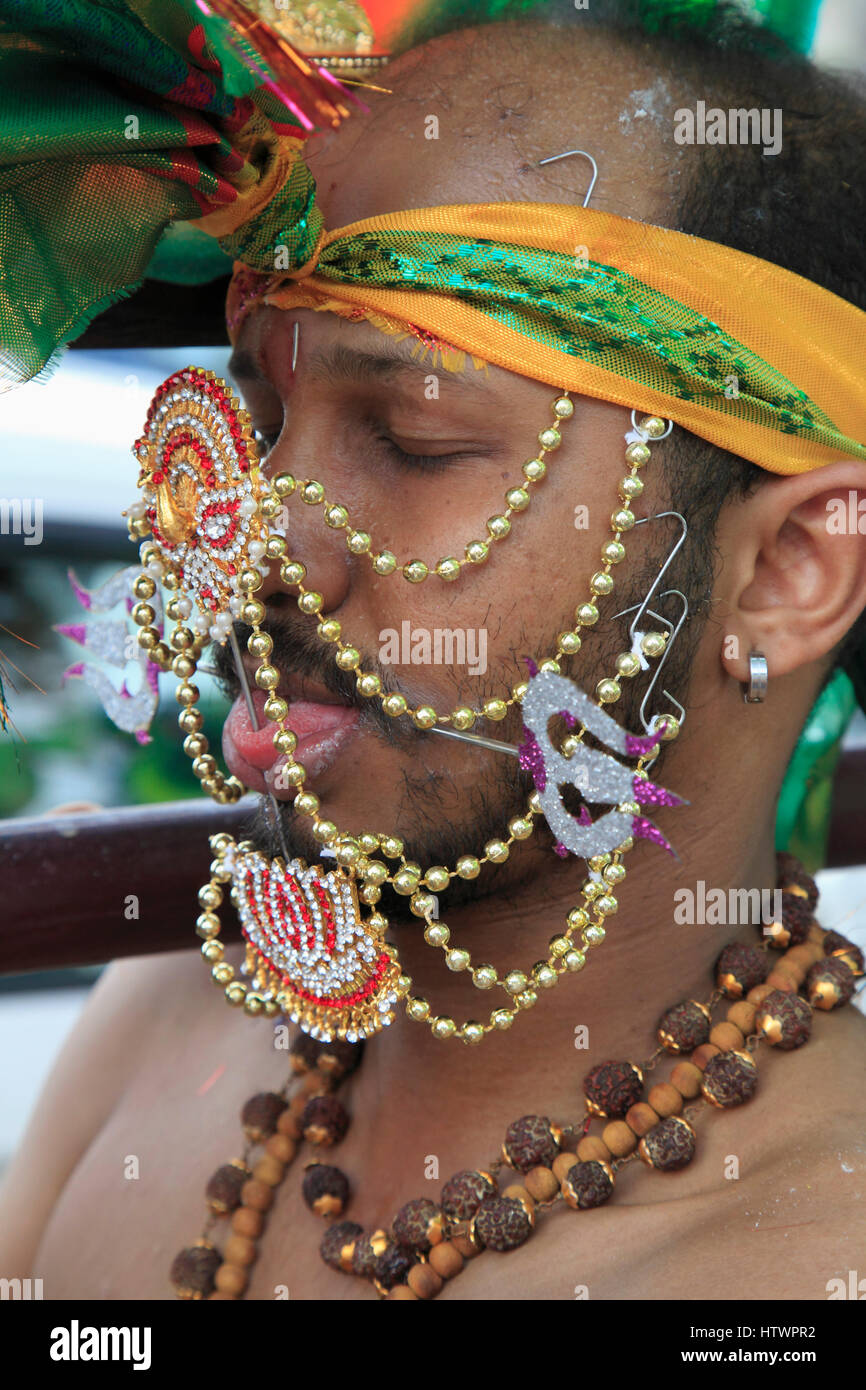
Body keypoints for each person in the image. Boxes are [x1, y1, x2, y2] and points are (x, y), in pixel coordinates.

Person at [0, 0, 865, 1301]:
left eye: (413, 439)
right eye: (257, 414)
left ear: (789, 569)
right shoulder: (162, 1013)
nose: (257, 541)